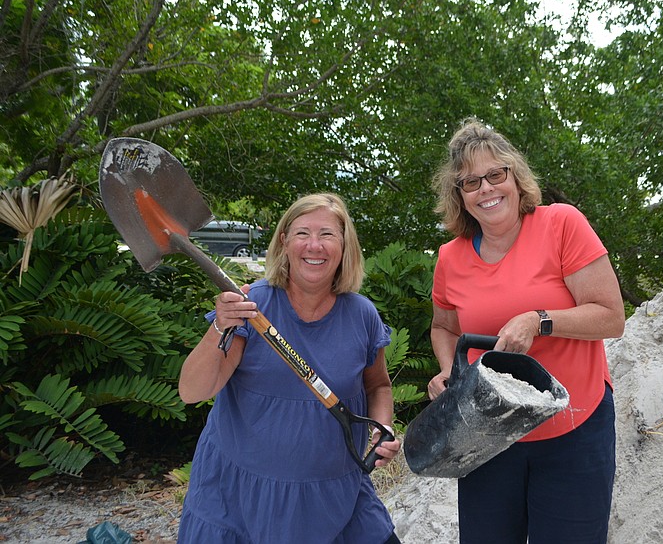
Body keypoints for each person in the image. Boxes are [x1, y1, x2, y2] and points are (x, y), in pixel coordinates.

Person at [428, 119, 626, 543]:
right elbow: (444, 327)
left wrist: (539, 320)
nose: (486, 189)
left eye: (495, 174)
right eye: (470, 182)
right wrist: (450, 372)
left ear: (515, 177)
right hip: (488, 432)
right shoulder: (450, 257)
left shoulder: (561, 224)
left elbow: (611, 317)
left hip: (573, 425)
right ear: (459, 197)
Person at [177, 193, 402, 544]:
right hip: (241, 499)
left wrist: (382, 426)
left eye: (327, 234)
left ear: (345, 246)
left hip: (336, 496)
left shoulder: (362, 315)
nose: (315, 246)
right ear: (284, 241)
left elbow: (379, 387)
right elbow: (192, 392)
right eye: (302, 233)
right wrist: (220, 326)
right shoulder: (252, 307)